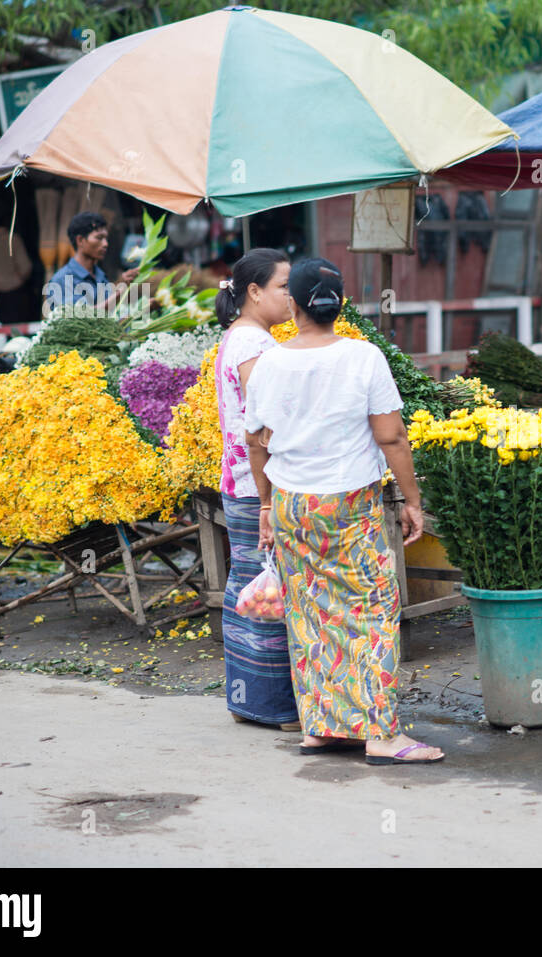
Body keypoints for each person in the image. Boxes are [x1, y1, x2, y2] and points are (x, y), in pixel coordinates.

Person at [244, 258, 444, 764]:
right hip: (349, 504)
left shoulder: (270, 362)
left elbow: (256, 441)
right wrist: (411, 500)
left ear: (294, 304)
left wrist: (267, 503)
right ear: (340, 302)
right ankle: (380, 733)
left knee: (310, 610)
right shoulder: (363, 356)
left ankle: (322, 727)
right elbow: (391, 435)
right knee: (371, 609)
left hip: (291, 502)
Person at [212, 248, 300, 732]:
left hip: (242, 482)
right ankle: (276, 707)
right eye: (284, 286)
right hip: (256, 485)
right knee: (268, 591)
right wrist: (270, 499)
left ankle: (248, 700)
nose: (291, 296)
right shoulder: (254, 345)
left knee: (250, 586)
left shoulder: (244, 337)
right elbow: (261, 427)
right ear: (254, 291)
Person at [44, 212, 138, 315]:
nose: (105, 244)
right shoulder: (62, 280)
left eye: (106, 238)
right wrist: (119, 292)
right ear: (80, 240)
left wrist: (142, 310)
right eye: (99, 238)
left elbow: (110, 318)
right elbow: (80, 318)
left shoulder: (101, 276)